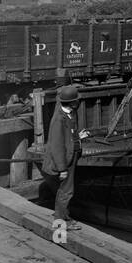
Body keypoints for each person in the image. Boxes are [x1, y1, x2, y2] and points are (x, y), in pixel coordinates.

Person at [41, 84, 86, 225]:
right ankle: (60, 221)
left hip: (71, 156)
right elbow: (57, 146)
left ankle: (64, 216)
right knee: (66, 191)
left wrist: (79, 137)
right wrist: (62, 169)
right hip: (64, 161)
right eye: (76, 100)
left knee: (67, 189)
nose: (79, 102)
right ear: (72, 102)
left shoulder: (71, 113)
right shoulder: (59, 119)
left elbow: (69, 135)